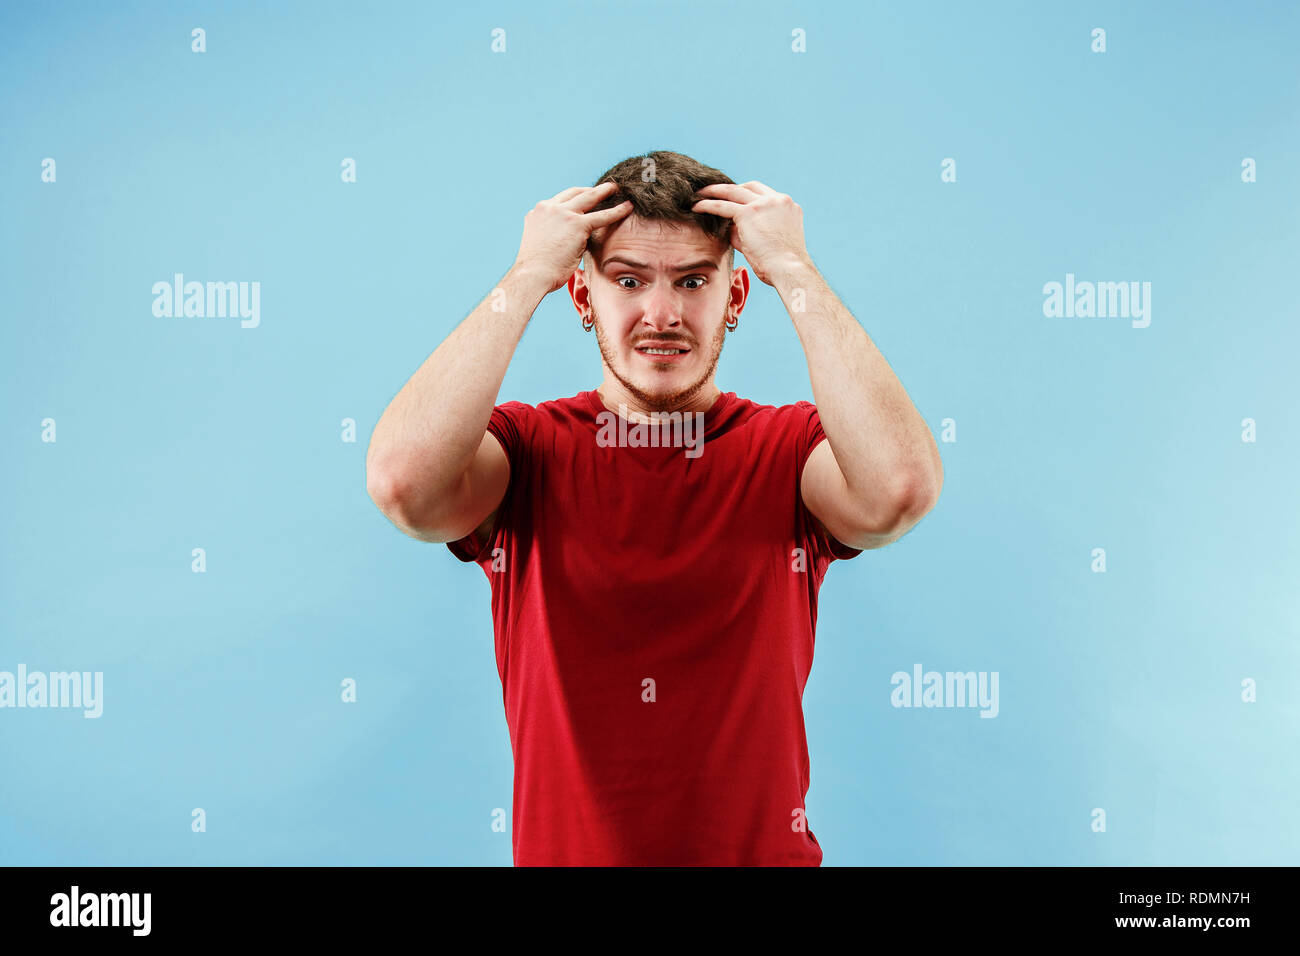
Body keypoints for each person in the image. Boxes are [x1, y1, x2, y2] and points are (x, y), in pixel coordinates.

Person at [366, 150, 943, 865]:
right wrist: (525, 277)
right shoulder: (526, 453)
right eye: (629, 281)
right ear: (583, 299)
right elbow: (403, 487)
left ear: (734, 300)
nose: (662, 314)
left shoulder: (788, 452)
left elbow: (897, 493)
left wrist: (795, 272)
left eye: (694, 281)